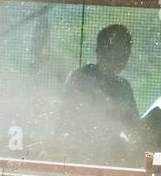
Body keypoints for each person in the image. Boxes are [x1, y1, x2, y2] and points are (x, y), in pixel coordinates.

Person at [58, 24, 142, 164]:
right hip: (76, 157)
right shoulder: (80, 78)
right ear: (99, 52)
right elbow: (66, 121)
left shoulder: (123, 87)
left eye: (125, 53)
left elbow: (134, 129)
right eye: (115, 52)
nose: (122, 58)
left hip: (108, 160)